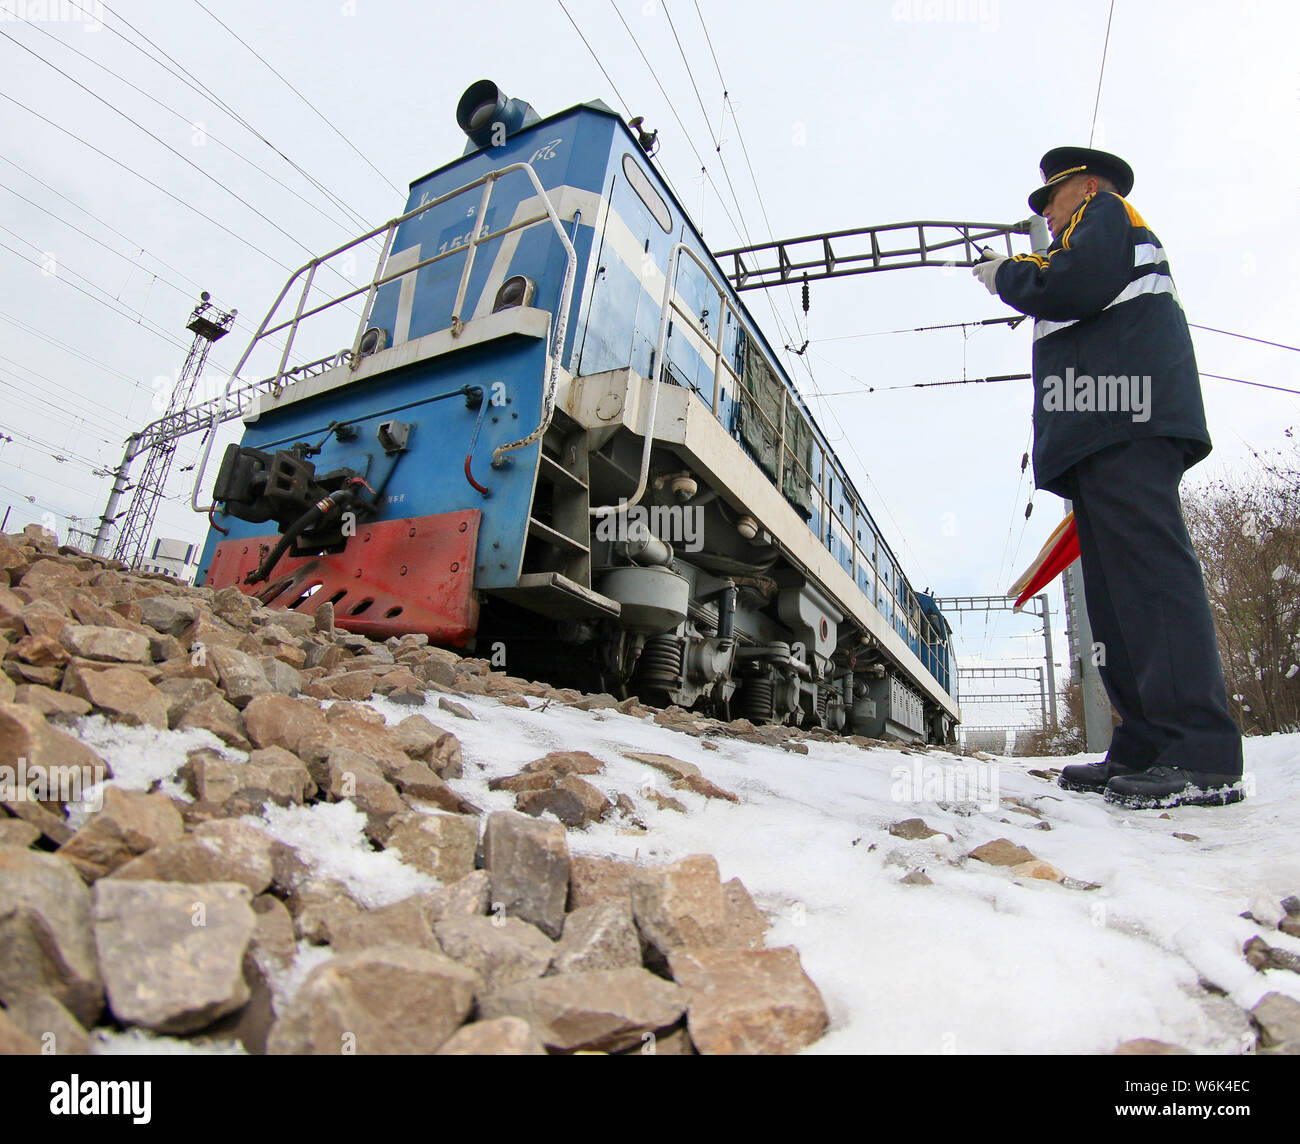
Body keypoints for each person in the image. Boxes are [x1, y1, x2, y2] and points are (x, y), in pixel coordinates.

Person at [971, 146, 1244, 809]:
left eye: (1053, 199)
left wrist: (1009, 272)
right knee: (1119, 596)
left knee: (1148, 578)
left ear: (1085, 185)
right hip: (1102, 426)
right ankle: (1148, 744)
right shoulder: (1090, 227)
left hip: (1126, 415)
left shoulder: (1106, 211)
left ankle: (1199, 751)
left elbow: (1072, 285)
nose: (1049, 214)